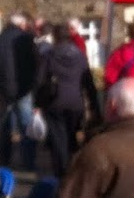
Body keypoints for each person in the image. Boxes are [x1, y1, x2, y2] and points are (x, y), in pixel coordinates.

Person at [35, 22, 101, 178]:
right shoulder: (79, 56)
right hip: (76, 103)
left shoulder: (49, 55)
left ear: (55, 37)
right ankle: (72, 168)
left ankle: (62, 172)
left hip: (55, 101)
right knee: (71, 137)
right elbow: (88, 83)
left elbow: (39, 80)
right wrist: (94, 107)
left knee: (58, 139)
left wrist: (37, 103)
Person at [0, 13, 38, 171]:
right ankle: (28, 162)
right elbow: (35, 62)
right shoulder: (28, 39)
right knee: (26, 126)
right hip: (24, 88)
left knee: (4, 126)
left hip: (4, 88)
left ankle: (4, 160)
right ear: (22, 25)